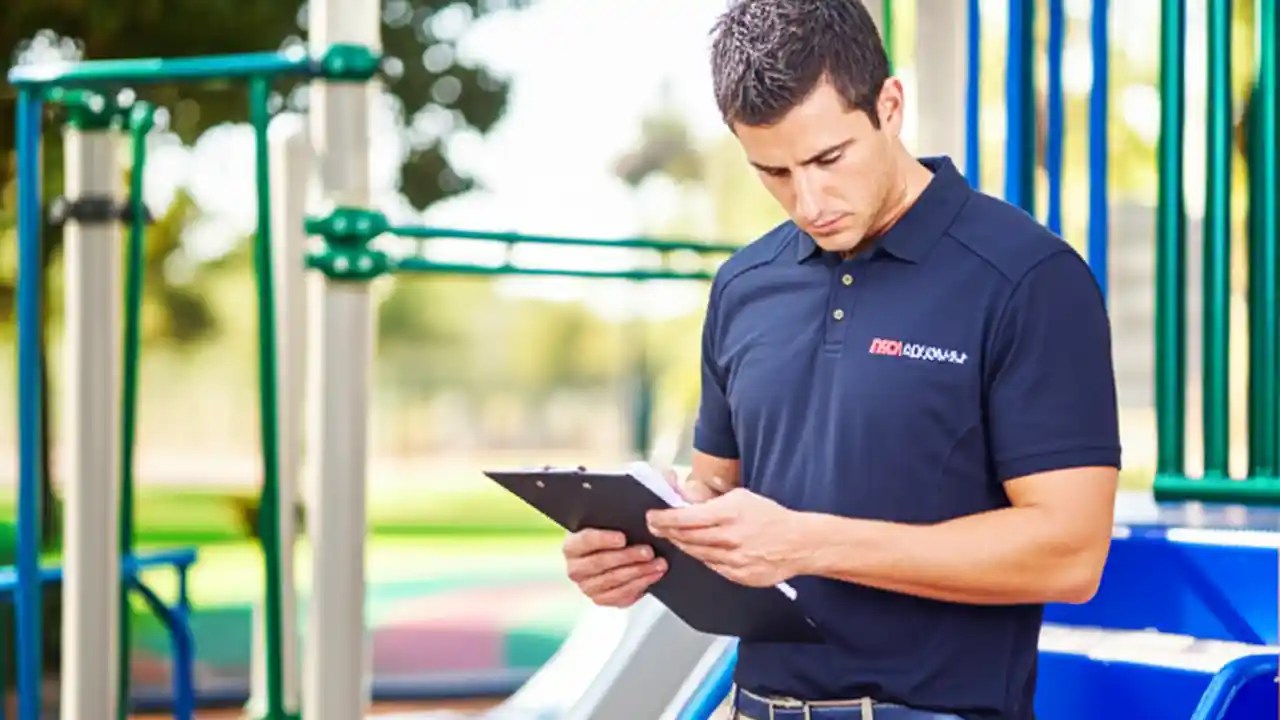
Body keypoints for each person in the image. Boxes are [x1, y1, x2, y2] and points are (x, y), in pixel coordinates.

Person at [560, 1, 1121, 718]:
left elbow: (1070, 554)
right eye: (773, 171)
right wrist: (643, 545)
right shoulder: (743, 286)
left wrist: (809, 544)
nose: (809, 200)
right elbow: (715, 493)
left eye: (829, 158)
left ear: (890, 104)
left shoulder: (1029, 279)